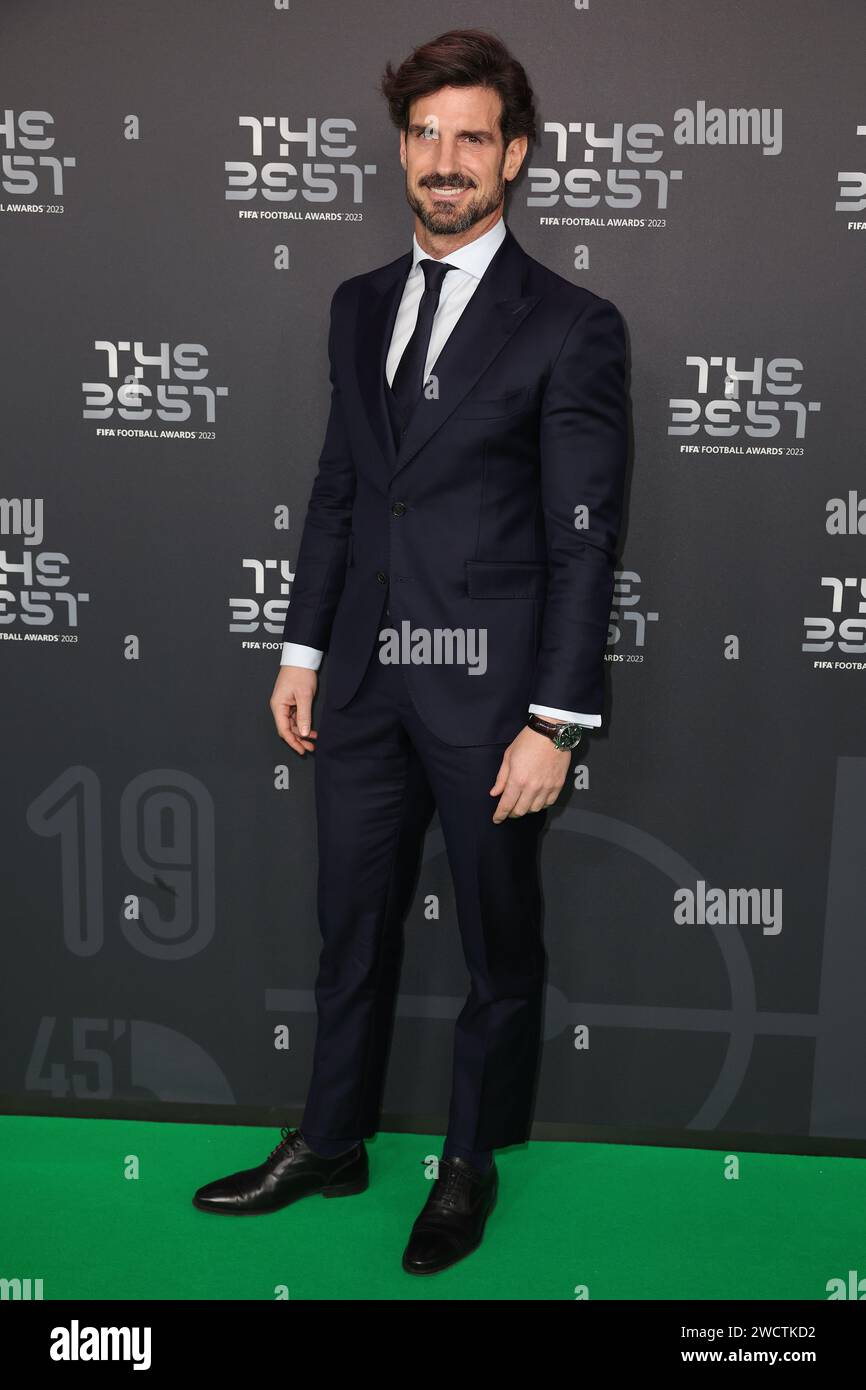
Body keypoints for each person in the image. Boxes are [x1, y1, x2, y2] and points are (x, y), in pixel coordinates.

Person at [193, 27, 629, 1277]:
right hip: (364, 683)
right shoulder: (358, 303)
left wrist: (555, 721)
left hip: (495, 701)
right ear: (401, 148)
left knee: (495, 944)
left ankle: (466, 1166)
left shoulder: (572, 324)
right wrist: (300, 648)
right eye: (425, 135)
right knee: (350, 923)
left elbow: (584, 536)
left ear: (515, 156)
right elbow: (342, 488)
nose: (444, 160)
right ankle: (330, 1140)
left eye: (471, 138)